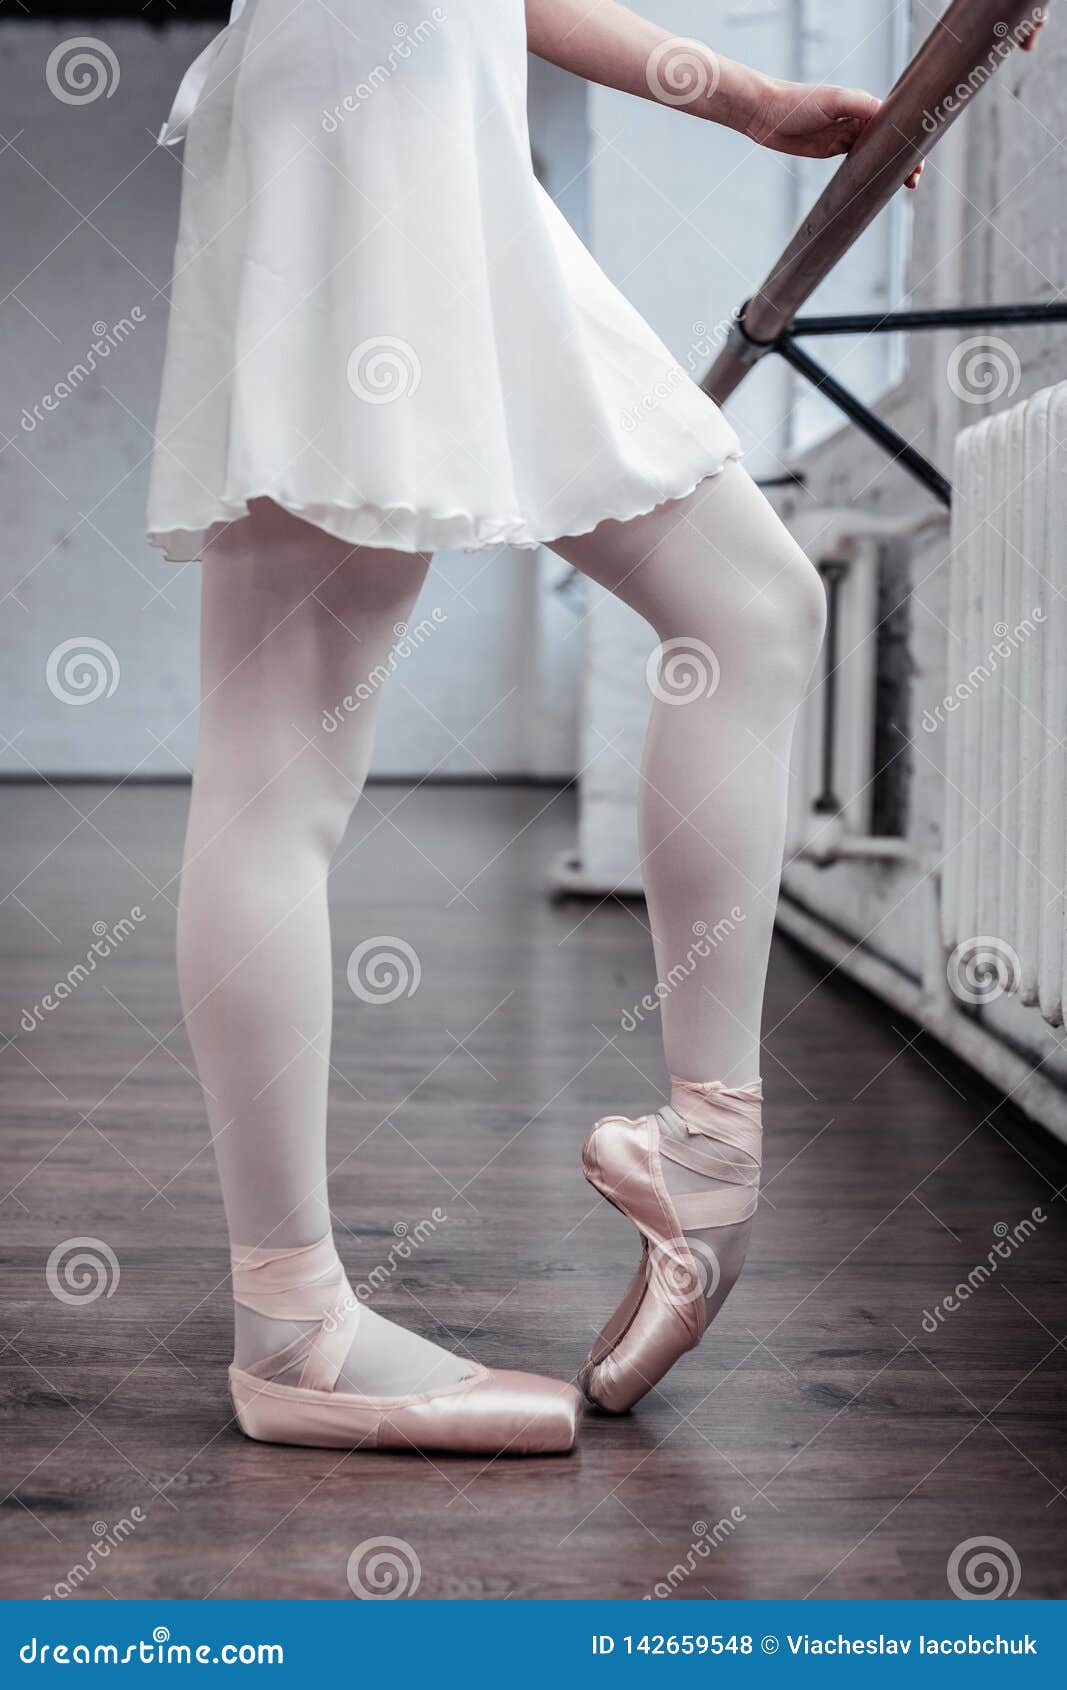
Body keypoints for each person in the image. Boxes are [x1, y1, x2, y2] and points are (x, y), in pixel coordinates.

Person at [147, 0, 926, 1455]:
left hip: (437, 104)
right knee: (278, 769)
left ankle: (710, 1142)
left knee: (753, 601)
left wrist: (735, 95)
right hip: (359, 95)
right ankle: (295, 1323)